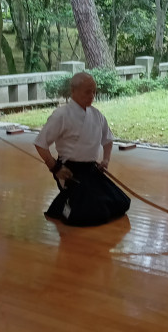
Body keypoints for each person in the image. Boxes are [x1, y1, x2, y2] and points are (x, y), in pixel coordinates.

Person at [35, 71, 131, 226]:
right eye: (87, 92)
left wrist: (105, 160)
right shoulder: (61, 115)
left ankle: (72, 200)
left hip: (91, 170)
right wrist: (55, 168)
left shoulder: (97, 115)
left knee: (120, 203)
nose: (92, 96)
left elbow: (107, 140)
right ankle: (64, 206)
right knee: (89, 214)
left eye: (94, 92)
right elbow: (40, 143)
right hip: (69, 171)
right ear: (73, 91)